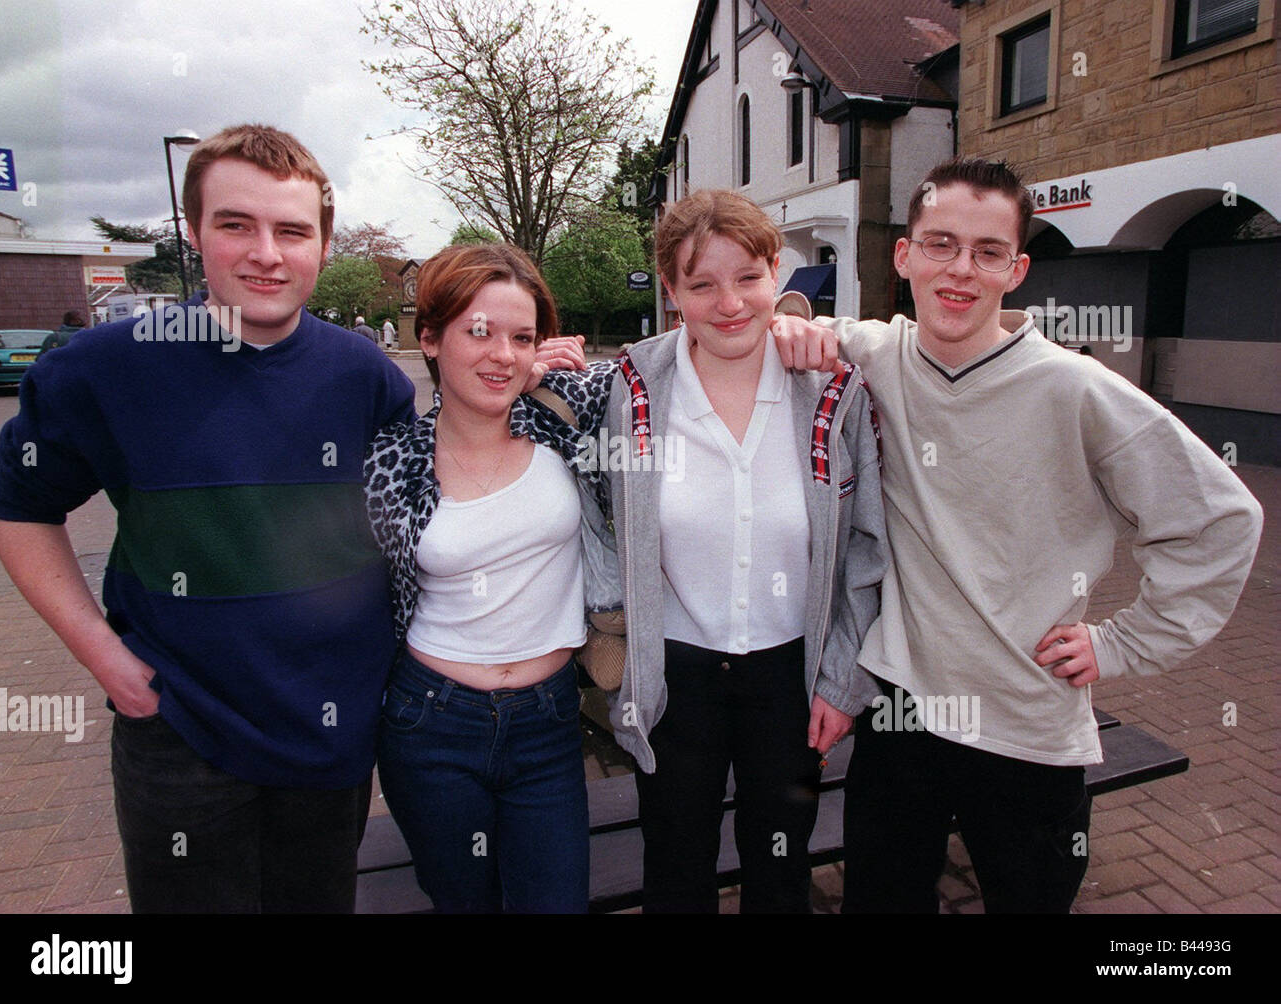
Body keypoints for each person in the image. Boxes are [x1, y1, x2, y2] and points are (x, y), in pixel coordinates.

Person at [777, 156, 1264, 912]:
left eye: (987, 251)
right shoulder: (876, 353)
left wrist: (1122, 643)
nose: (960, 269)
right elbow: (768, 322)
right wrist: (792, 316)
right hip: (901, 712)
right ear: (904, 257)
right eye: (940, 244)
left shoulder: (1077, 388)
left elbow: (1221, 518)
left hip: (1026, 723)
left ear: (1018, 268)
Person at [0, 123, 415, 913]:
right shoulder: (102, 372)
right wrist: (103, 658)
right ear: (194, 232)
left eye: (292, 230)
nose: (266, 253)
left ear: (322, 242)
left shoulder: (367, 377)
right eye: (235, 225)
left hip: (330, 731)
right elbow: (19, 510)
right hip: (179, 731)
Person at [540, 188, 888, 912]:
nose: (729, 303)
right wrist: (526, 362)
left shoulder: (832, 387)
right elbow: (513, 412)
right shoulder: (628, 386)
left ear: (776, 274)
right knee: (675, 867)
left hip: (791, 678)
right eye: (701, 284)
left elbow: (865, 547)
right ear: (671, 291)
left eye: (749, 279)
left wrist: (841, 677)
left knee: (781, 869)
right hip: (674, 677)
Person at [363, 242, 619, 913]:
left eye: (521, 336)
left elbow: (687, 365)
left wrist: (804, 326)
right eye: (478, 332)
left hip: (549, 721)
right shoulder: (392, 460)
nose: (501, 354)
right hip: (431, 724)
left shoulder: (567, 419)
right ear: (429, 337)